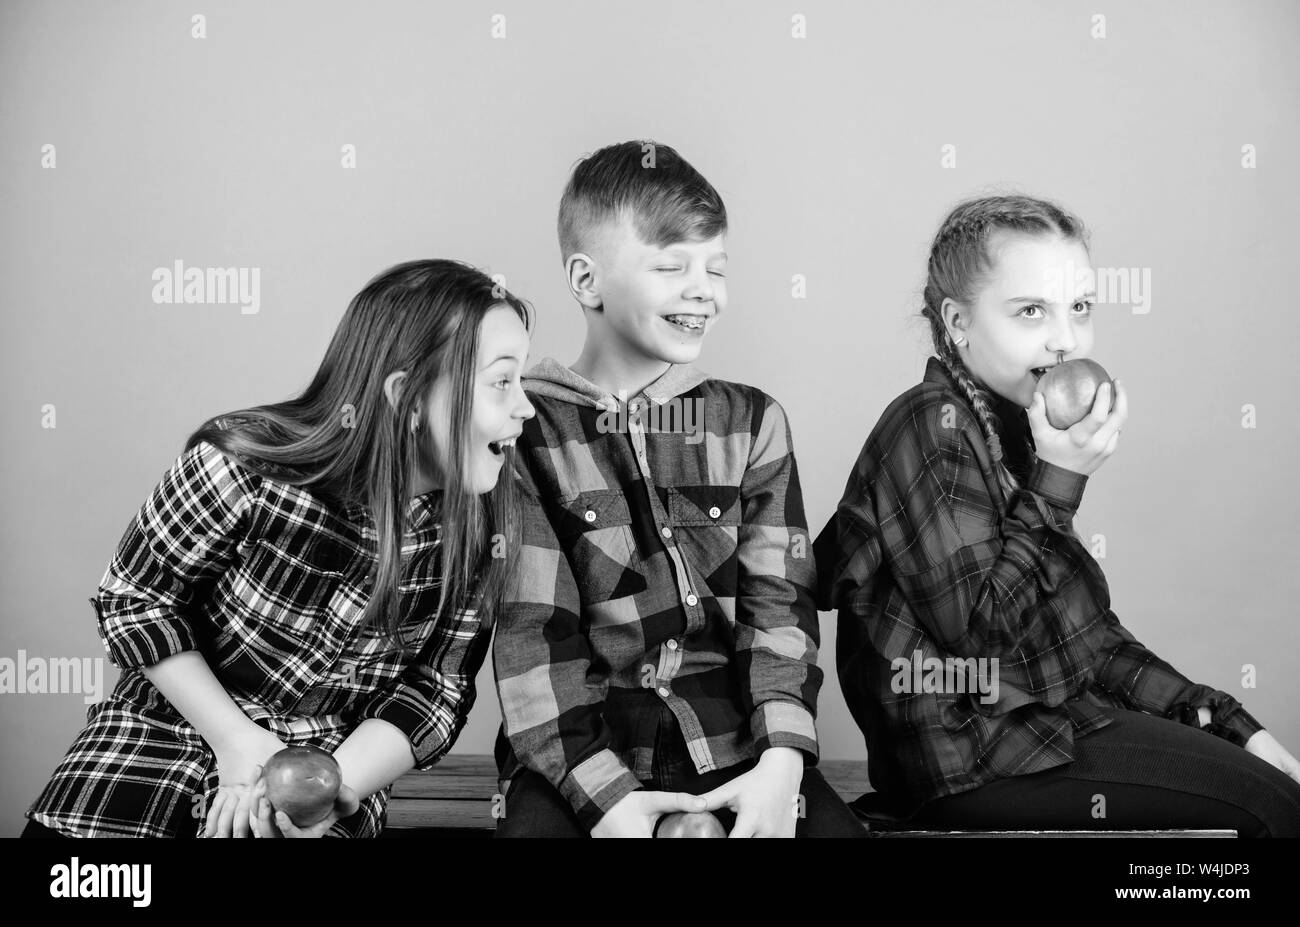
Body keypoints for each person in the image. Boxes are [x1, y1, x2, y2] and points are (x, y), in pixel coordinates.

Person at [815, 195, 1300, 835]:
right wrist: (1058, 483)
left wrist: (1224, 719)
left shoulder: (1021, 426)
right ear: (958, 321)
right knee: (1269, 809)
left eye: (1079, 308)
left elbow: (1087, 640)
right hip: (973, 757)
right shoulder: (932, 424)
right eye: (1031, 311)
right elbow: (982, 639)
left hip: (1041, 724)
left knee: (1273, 790)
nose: (1065, 338)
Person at [23, 259, 535, 837]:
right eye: (501, 381)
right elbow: (137, 599)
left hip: (334, 767)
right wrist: (238, 742)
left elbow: (434, 693)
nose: (526, 406)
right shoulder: (241, 463)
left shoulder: (483, 525)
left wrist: (331, 789)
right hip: (159, 738)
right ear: (409, 397)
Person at [492, 140, 864, 837]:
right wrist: (606, 800)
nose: (705, 289)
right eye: (672, 267)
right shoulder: (524, 432)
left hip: (737, 739)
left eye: (716, 268)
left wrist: (783, 759)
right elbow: (533, 635)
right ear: (587, 280)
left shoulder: (751, 423)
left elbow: (778, 606)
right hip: (582, 745)